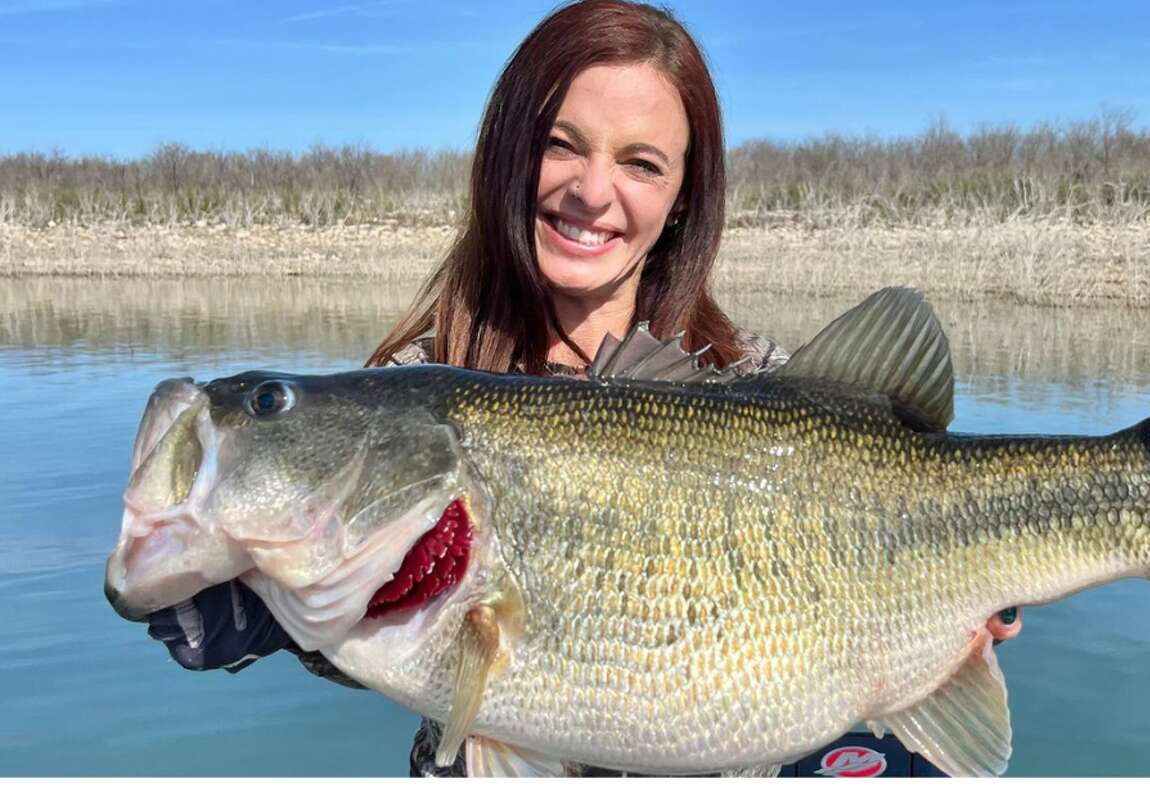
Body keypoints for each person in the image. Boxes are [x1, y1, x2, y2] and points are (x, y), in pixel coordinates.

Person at [143, 0, 1022, 777]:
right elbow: (392, 614)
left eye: (642, 163)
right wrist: (250, 601)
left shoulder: (758, 381)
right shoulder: (412, 390)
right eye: (561, 144)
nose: (593, 191)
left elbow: (924, 528)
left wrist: (977, 582)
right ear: (508, 156)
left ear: (682, 196)